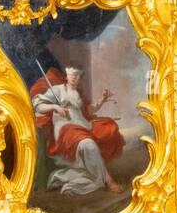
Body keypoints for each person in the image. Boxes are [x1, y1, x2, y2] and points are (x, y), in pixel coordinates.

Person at [32, 67, 124, 195]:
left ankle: (88, 175)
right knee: (88, 144)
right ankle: (108, 180)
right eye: (71, 74)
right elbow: (38, 105)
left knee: (108, 127)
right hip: (65, 127)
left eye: (77, 75)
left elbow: (89, 110)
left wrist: (102, 100)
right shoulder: (57, 90)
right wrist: (55, 107)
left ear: (80, 78)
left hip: (82, 125)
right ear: (67, 76)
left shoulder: (78, 94)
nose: (74, 77)